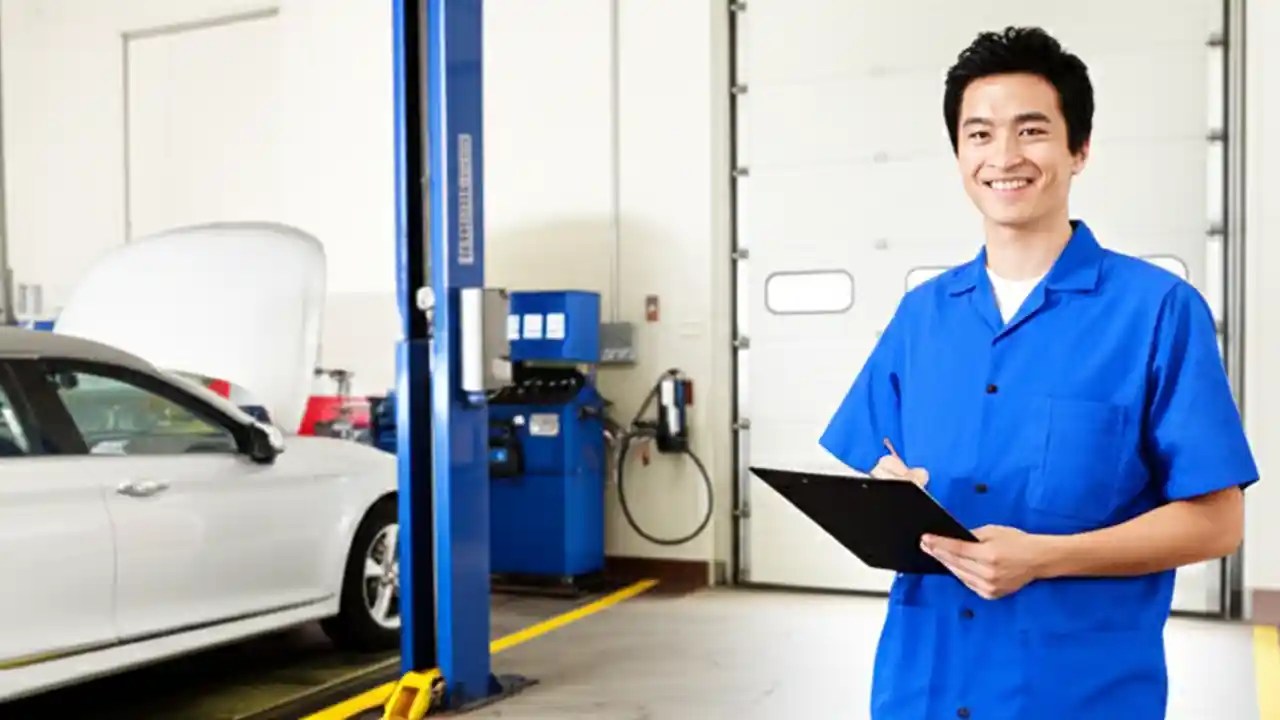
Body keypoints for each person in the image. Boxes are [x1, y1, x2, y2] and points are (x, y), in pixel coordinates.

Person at [818, 26, 1258, 720]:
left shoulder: (1157, 312)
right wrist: (888, 490)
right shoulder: (922, 315)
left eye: (1031, 131)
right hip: (922, 685)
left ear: (1078, 149)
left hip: (1076, 692)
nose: (1004, 157)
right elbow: (878, 460)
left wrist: (1045, 557)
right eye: (980, 135)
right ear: (959, 154)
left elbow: (1217, 523)